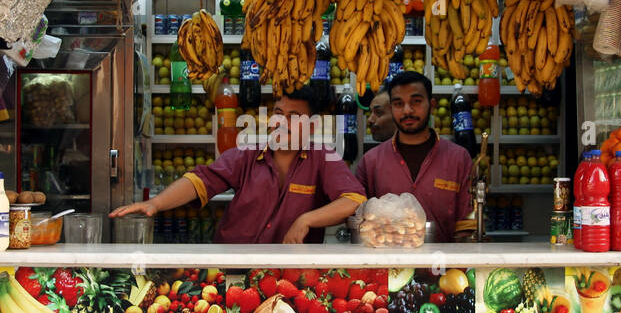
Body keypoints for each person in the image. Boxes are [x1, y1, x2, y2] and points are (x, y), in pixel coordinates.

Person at [111, 88, 365, 243]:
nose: (281, 122)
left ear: (311, 126)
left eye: (293, 116)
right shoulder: (247, 155)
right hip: (233, 262)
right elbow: (201, 181)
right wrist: (155, 203)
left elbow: (353, 199)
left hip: (290, 269)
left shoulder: (323, 158)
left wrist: (306, 220)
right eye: (277, 113)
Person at [355, 70, 474, 242]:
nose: (407, 110)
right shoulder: (371, 161)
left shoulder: (458, 158)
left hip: (443, 264)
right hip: (388, 265)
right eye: (398, 104)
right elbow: (360, 221)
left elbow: (467, 225)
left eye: (416, 102)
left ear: (432, 105)